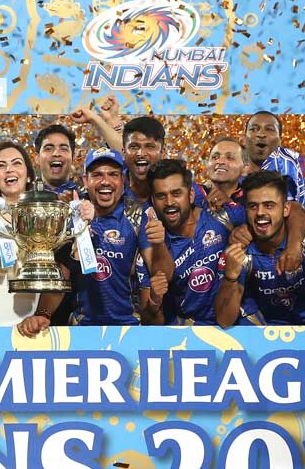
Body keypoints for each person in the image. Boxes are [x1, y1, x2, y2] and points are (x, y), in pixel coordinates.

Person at [0, 141, 62, 333]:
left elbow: (61, 271)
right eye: (1, 166)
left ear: (29, 174)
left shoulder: (46, 214)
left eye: (16, 163)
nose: (9, 170)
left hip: (23, 325)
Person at [215, 170, 305, 328]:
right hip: (259, 335)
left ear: (285, 209)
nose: (260, 212)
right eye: (253, 206)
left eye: (269, 205)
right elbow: (224, 321)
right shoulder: (239, 251)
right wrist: (230, 278)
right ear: (245, 210)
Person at [146, 158, 240, 325]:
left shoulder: (220, 215)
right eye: (161, 196)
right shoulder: (152, 243)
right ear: (153, 201)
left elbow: (279, 214)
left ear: (190, 195)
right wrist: (159, 244)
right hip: (190, 334)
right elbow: (150, 322)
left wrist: (247, 229)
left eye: (176, 193)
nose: (169, 202)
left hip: (234, 325)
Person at [69, 148, 148, 325]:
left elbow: (156, 272)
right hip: (82, 327)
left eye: (113, 174)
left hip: (129, 325)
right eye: (97, 175)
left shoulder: (137, 216)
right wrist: (82, 228)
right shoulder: (72, 214)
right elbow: (65, 271)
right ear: (85, 180)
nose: (105, 181)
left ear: (123, 180)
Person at [241, 111, 305, 205]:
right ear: (243, 139)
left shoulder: (294, 179)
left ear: (280, 140)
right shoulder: (234, 182)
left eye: (269, 129)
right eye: (254, 129)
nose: (261, 134)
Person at [34, 124, 79, 196]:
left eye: (63, 149)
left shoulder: (88, 200)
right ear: (37, 158)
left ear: (73, 157)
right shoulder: (24, 201)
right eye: (48, 149)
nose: (56, 153)